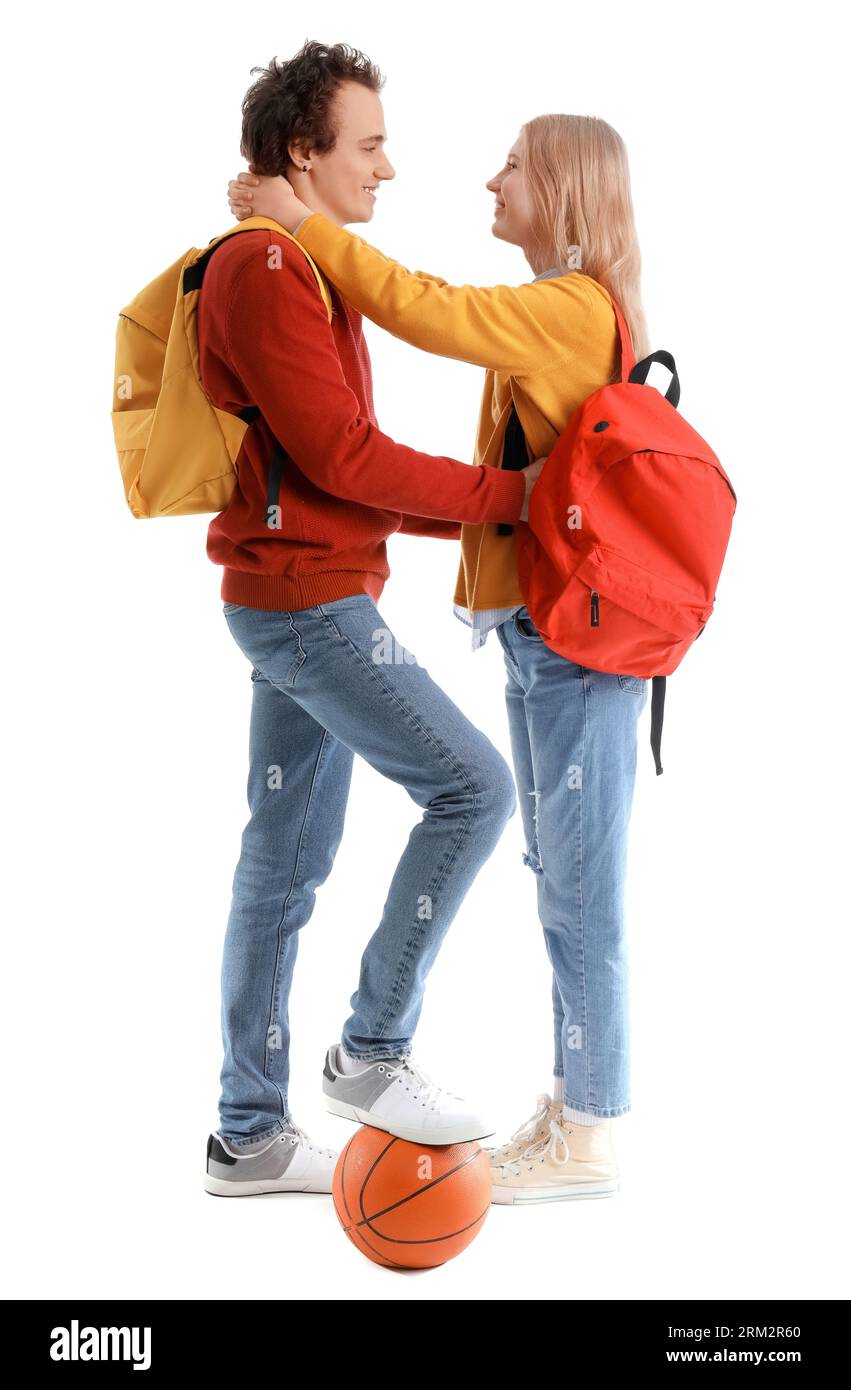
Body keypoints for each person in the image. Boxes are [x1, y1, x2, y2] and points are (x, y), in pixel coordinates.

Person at [227, 104, 652, 1204]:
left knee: (567, 877)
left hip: (573, 642)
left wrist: (306, 229)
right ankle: (565, 1108)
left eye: (512, 166)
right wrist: (504, 510)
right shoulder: (555, 308)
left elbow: (427, 312)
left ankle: (585, 1131)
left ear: (563, 189)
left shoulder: (568, 306)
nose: (488, 182)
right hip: (536, 634)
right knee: (554, 875)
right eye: (369, 145)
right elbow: (376, 465)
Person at [201, 42, 545, 1199]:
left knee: (279, 871)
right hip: (310, 608)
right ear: (304, 152)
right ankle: (371, 1049)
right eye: (369, 144)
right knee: (474, 787)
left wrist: (494, 517)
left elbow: (339, 470)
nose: (387, 168)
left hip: (298, 597)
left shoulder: (299, 260)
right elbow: (345, 455)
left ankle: (248, 1136)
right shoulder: (266, 267)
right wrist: (512, 499)